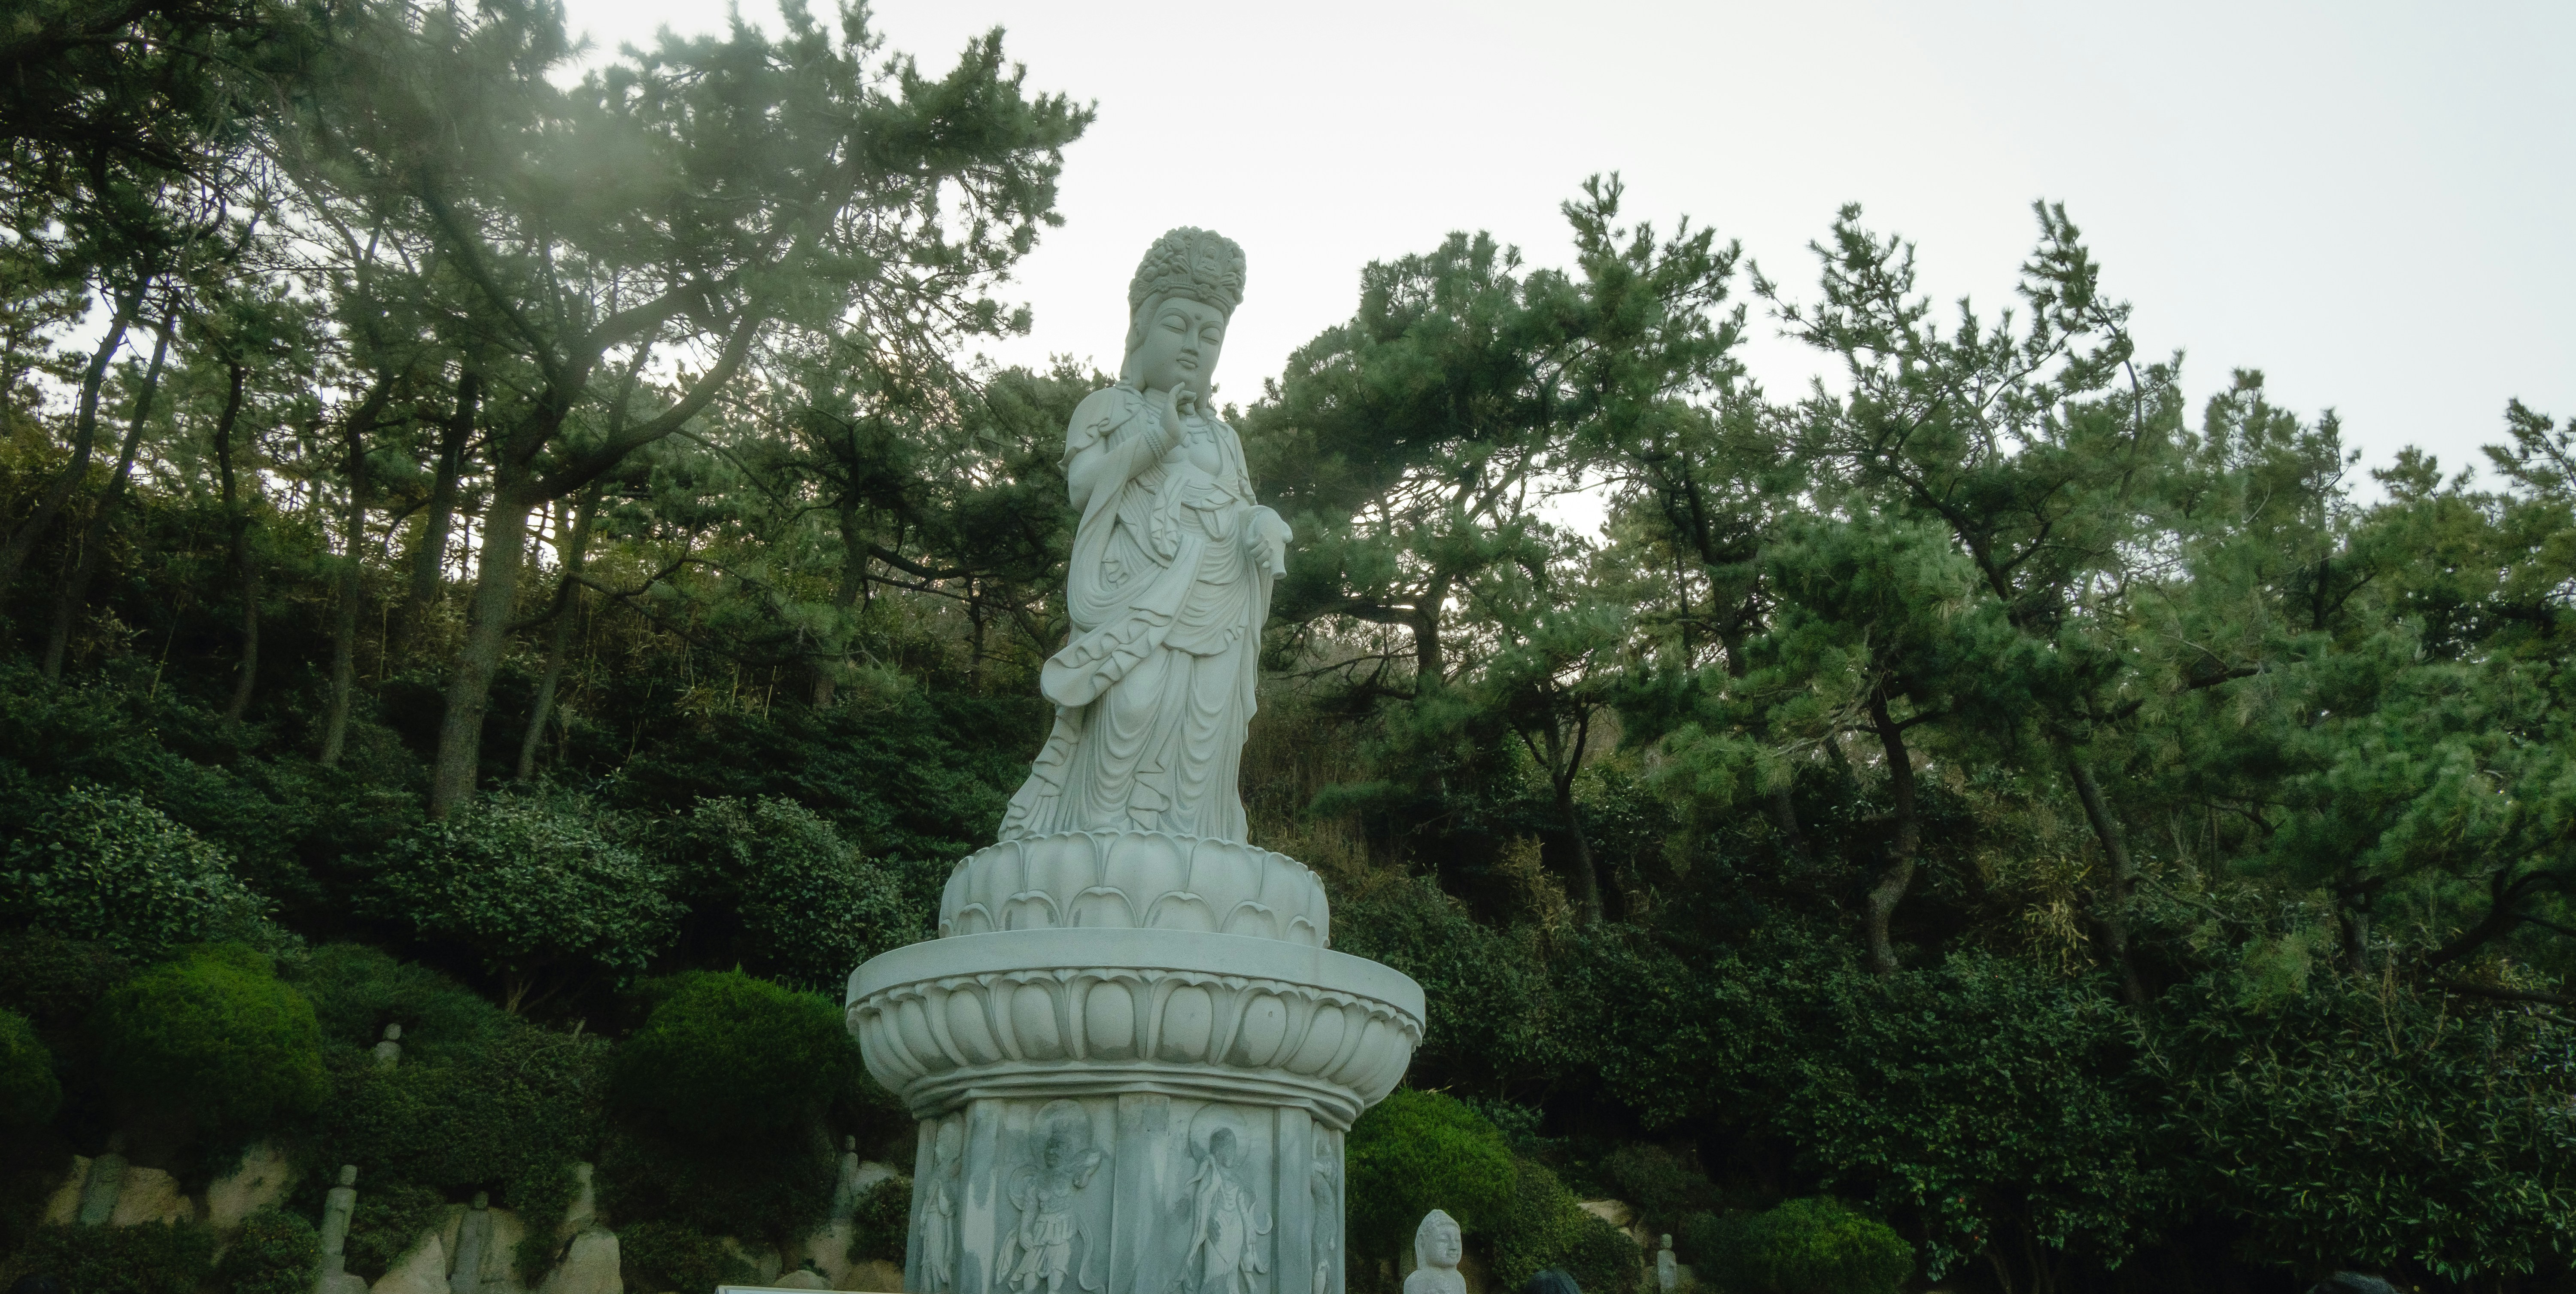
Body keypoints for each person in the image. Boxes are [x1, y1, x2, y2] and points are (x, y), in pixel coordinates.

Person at [999, 227, 1290, 845]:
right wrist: (1154, 440)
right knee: (1131, 703)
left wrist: (1264, 522)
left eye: (1210, 334)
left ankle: (1194, 842)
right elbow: (1083, 487)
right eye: (1177, 325)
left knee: (1203, 726)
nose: (1193, 344)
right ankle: (1095, 837)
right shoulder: (1109, 407)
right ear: (1139, 329)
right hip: (1135, 586)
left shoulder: (1225, 437)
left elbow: (1240, 507)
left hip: (1220, 597)